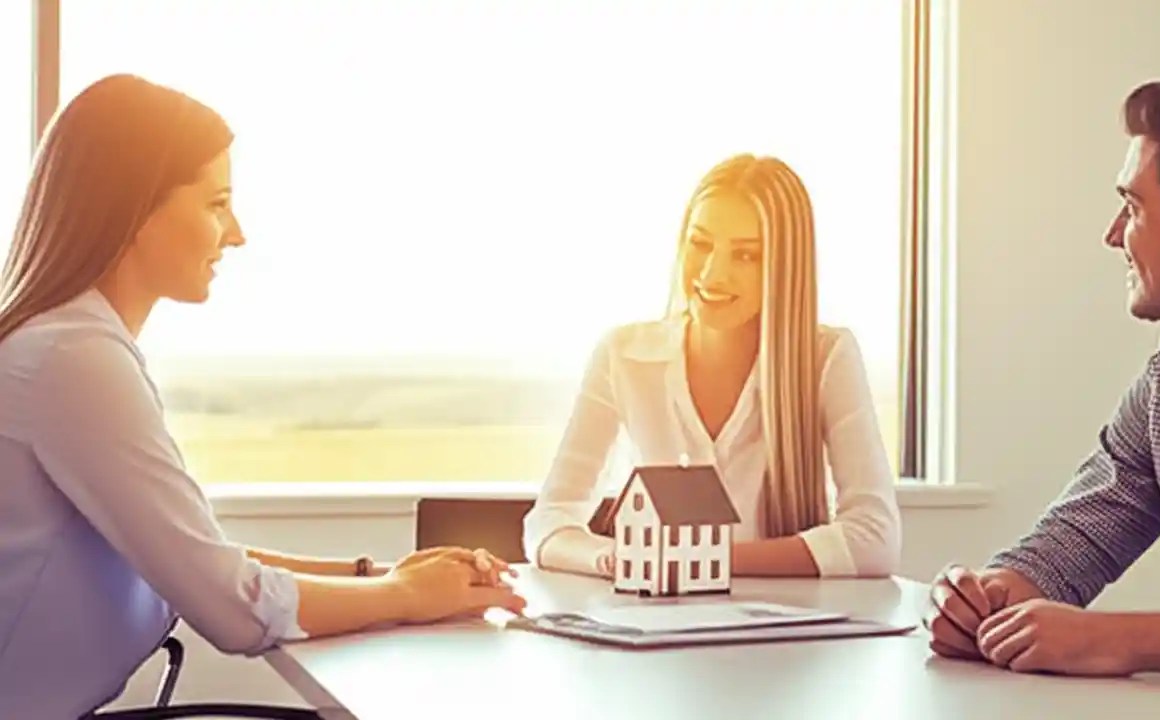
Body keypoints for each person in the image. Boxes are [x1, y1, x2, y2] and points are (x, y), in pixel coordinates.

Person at [0, 74, 525, 718]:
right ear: (135, 209)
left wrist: (374, 573)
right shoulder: (73, 359)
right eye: (217, 204)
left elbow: (195, 556)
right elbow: (230, 609)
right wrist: (407, 595)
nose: (237, 232)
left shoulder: (69, 345)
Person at [924, 71, 1160, 685]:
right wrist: (982, 602)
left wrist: (1122, 638)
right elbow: (1067, 549)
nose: (1113, 234)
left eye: (1133, 206)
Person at [523, 153, 901, 579]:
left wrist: (701, 561)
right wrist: (611, 560)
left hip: (783, 630)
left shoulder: (827, 356)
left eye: (745, 256)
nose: (712, 273)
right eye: (700, 244)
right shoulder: (623, 355)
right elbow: (548, 522)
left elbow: (875, 540)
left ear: (784, 266)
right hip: (657, 627)